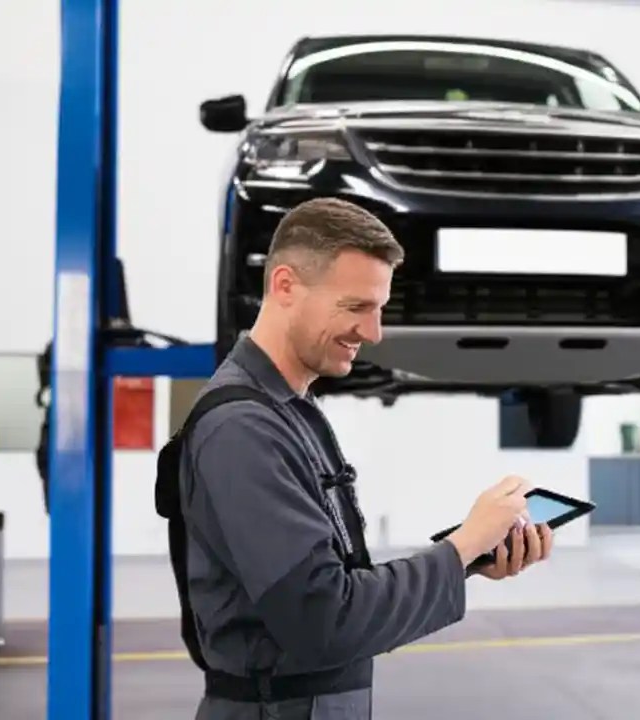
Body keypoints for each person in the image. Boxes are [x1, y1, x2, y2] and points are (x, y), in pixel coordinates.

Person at [178, 197, 553, 719]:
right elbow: (325, 621)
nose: (373, 332)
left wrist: (467, 558)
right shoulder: (243, 428)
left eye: (378, 309)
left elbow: (337, 591)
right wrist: (463, 545)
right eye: (356, 307)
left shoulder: (288, 409)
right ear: (285, 286)